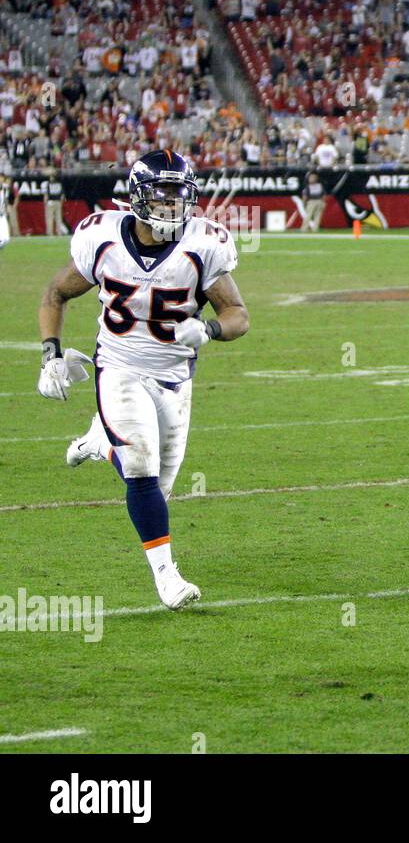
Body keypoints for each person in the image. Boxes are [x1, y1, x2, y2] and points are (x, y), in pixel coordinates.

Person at [36, 150, 250, 608]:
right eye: (163, 193)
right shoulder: (103, 237)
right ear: (137, 196)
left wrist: (209, 329)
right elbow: (56, 291)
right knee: (140, 470)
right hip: (118, 365)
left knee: (158, 486)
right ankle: (167, 578)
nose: (172, 204)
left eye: (180, 195)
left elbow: (238, 314)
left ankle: (100, 443)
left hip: (174, 377)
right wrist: (49, 353)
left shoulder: (203, 244)